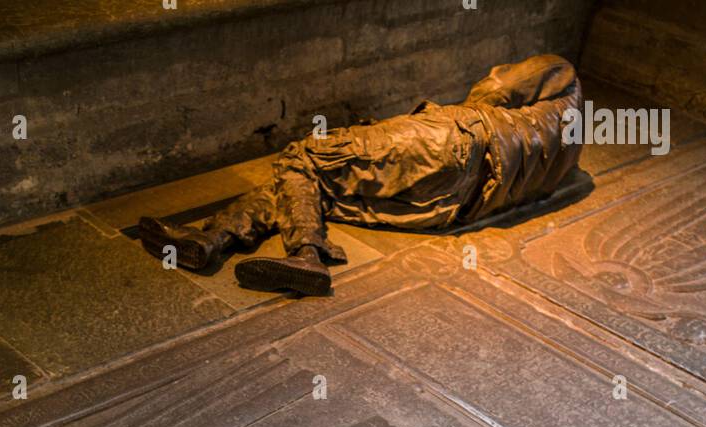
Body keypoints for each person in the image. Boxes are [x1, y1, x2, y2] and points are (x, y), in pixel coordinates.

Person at [139, 53, 582, 296]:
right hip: (456, 206)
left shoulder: (562, 74)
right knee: (314, 187)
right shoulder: (568, 154)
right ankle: (209, 241)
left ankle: (307, 256)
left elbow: (493, 92)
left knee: (306, 156)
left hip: (455, 139)